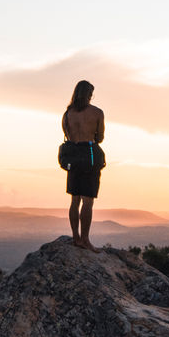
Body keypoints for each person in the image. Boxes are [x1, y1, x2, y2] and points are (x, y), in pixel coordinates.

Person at [61, 79, 105, 250]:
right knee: (88, 201)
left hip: (72, 156)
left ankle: (76, 237)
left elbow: (67, 134)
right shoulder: (97, 112)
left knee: (74, 199)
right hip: (89, 155)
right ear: (89, 94)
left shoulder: (67, 114)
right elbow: (100, 137)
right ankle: (85, 240)